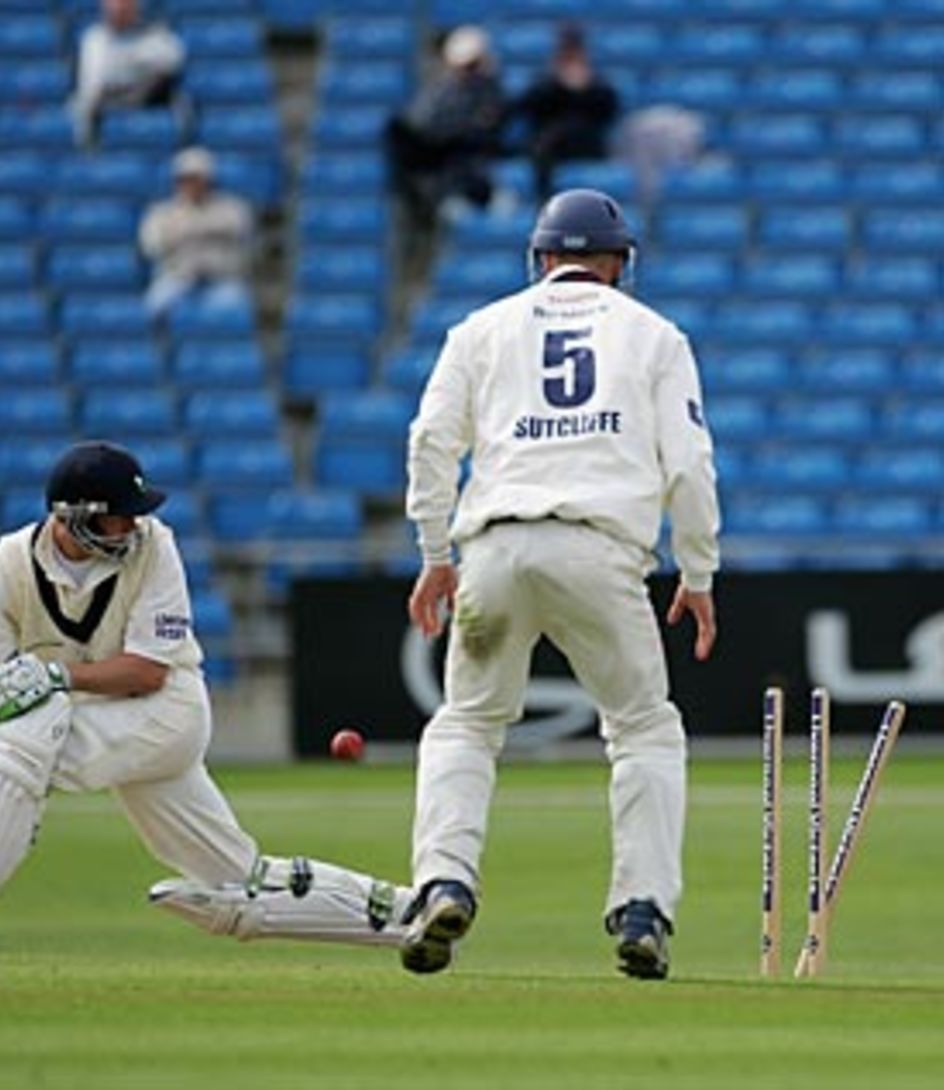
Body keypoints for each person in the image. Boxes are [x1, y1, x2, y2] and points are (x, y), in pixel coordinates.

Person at [0, 440, 416, 964]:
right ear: (71, 515)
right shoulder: (10, 565)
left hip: (168, 713)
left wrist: (55, 675)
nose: (130, 526)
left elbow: (148, 672)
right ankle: (410, 914)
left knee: (22, 736)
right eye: (116, 516)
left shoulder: (154, 545)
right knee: (234, 881)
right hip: (113, 722)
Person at [398, 189, 720, 980]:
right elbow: (689, 464)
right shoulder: (655, 335)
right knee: (643, 727)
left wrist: (435, 551)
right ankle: (642, 910)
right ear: (619, 263)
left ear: (541, 259)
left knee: (467, 724)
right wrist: (700, 570)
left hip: (495, 553)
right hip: (599, 552)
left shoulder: (481, 330)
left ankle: (444, 881)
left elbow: (430, 442)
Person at [385, 25, 507, 224]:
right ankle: (422, 201)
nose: (466, 70)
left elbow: (488, 121)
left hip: (466, 148)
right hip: (439, 145)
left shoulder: (489, 88)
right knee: (396, 131)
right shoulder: (444, 88)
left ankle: (454, 195)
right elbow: (423, 118)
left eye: (472, 64)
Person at [139, 146, 254, 322]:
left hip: (221, 279)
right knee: (152, 306)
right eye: (184, 179)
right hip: (177, 278)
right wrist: (205, 232)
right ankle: (160, 348)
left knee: (236, 305)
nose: (190, 184)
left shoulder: (233, 208)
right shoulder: (162, 212)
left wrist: (186, 232)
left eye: (195, 178)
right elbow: (151, 246)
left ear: (209, 179)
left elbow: (243, 232)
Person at [509, 24, 620, 201]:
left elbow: (609, 111)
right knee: (545, 143)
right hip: (551, 148)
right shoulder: (545, 82)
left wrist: (585, 88)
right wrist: (558, 84)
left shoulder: (598, 85)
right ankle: (544, 203)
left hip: (586, 143)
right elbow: (524, 106)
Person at [70, 0, 187, 147]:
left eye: (125, 5)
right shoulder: (94, 39)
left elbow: (171, 67)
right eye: (113, 7)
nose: (118, 11)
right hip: (107, 109)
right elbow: (91, 89)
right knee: (78, 107)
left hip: (150, 105)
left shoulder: (156, 36)